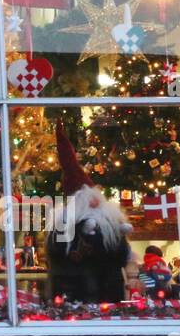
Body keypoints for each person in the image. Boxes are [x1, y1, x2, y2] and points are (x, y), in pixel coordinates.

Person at [45, 122, 133, 303]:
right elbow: (59, 255)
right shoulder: (64, 228)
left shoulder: (111, 227)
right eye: (88, 198)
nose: (94, 202)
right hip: (75, 297)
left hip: (106, 297)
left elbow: (122, 257)